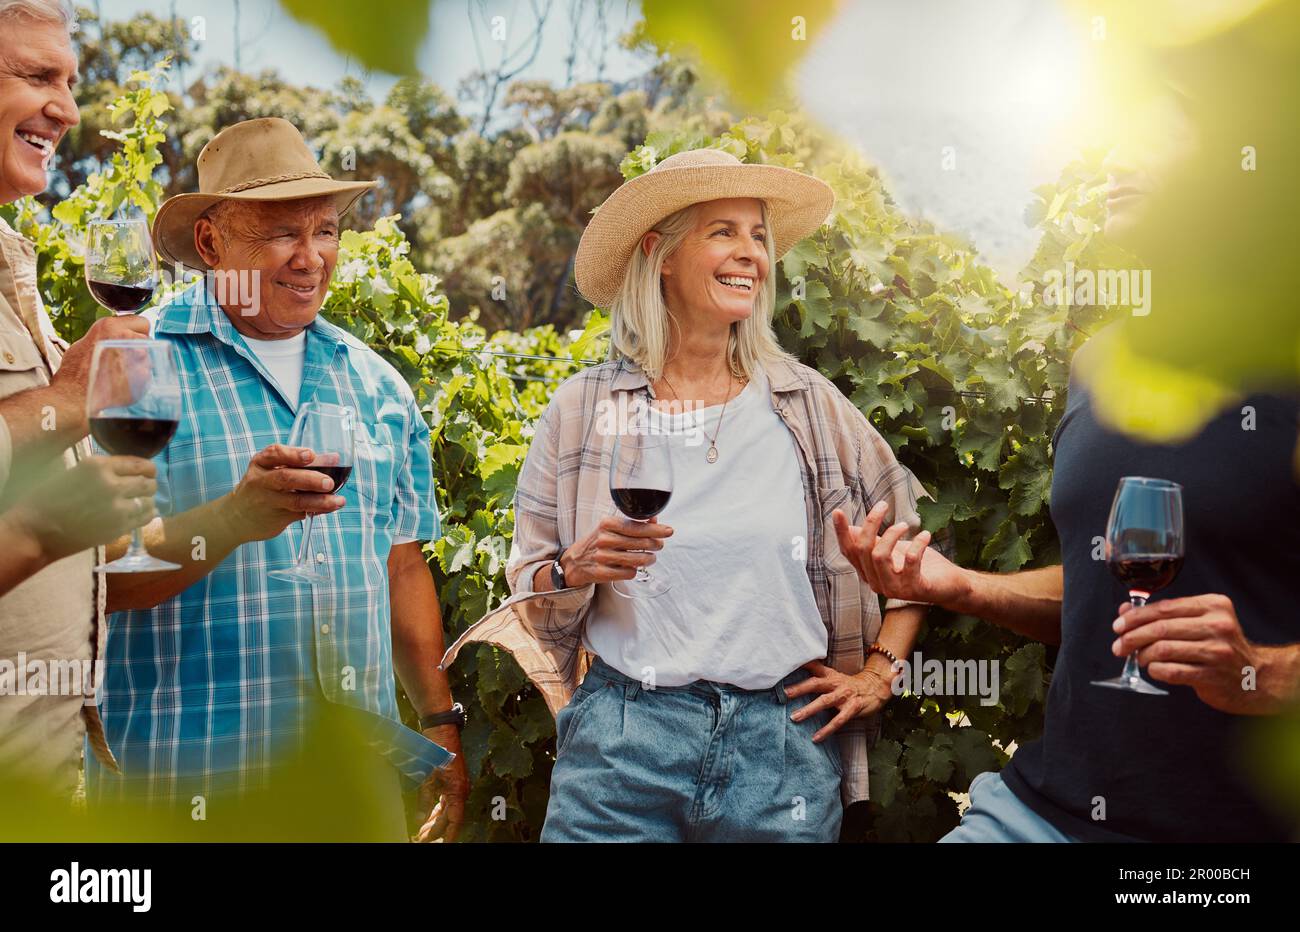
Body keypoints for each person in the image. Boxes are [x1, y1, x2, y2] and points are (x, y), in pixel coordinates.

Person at [442, 148, 930, 842]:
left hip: (781, 751)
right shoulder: (584, 409)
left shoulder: (807, 405)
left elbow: (912, 548)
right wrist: (576, 570)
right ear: (661, 254)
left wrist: (878, 674)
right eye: (723, 231)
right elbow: (531, 591)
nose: (750, 254)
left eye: (759, 235)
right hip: (622, 747)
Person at [843, 146, 1300, 842]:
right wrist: (959, 585)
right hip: (1042, 814)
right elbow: (1099, 593)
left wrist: (1261, 673)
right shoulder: (1097, 362)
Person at [88, 117, 469, 841]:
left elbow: (401, 564)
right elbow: (95, 577)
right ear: (211, 243)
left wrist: (440, 723)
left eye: (325, 231)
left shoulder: (378, 386)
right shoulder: (134, 365)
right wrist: (231, 521)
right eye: (283, 233)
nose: (311, 258)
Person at [0, 0, 157, 791]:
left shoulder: (11, 261)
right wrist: (69, 398)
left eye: (70, 81)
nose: (66, 108)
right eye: (36, 76)